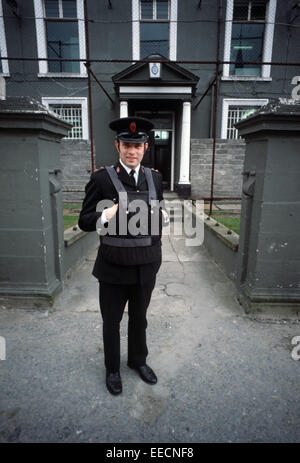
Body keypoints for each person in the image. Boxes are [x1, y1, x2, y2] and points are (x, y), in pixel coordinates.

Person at [78, 117, 169, 395]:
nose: (132, 151)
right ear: (118, 145)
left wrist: (163, 216)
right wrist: (106, 214)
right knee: (112, 321)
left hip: (147, 266)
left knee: (139, 318)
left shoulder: (154, 177)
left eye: (137, 145)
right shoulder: (101, 178)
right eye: (127, 145)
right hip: (113, 268)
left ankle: (137, 361)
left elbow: (159, 208)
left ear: (145, 147)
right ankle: (113, 369)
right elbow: (83, 221)